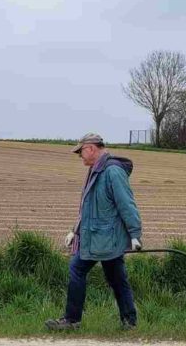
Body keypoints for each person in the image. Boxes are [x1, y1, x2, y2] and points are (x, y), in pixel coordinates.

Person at [45, 133, 143, 331]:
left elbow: (127, 204)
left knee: (76, 269)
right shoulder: (96, 170)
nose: (80, 156)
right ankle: (129, 321)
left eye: (81, 151)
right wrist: (75, 231)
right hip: (98, 236)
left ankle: (72, 320)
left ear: (90, 148)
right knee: (117, 277)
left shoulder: (112, 172)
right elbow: (88, 208)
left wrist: (135, 234)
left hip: (104, 238)